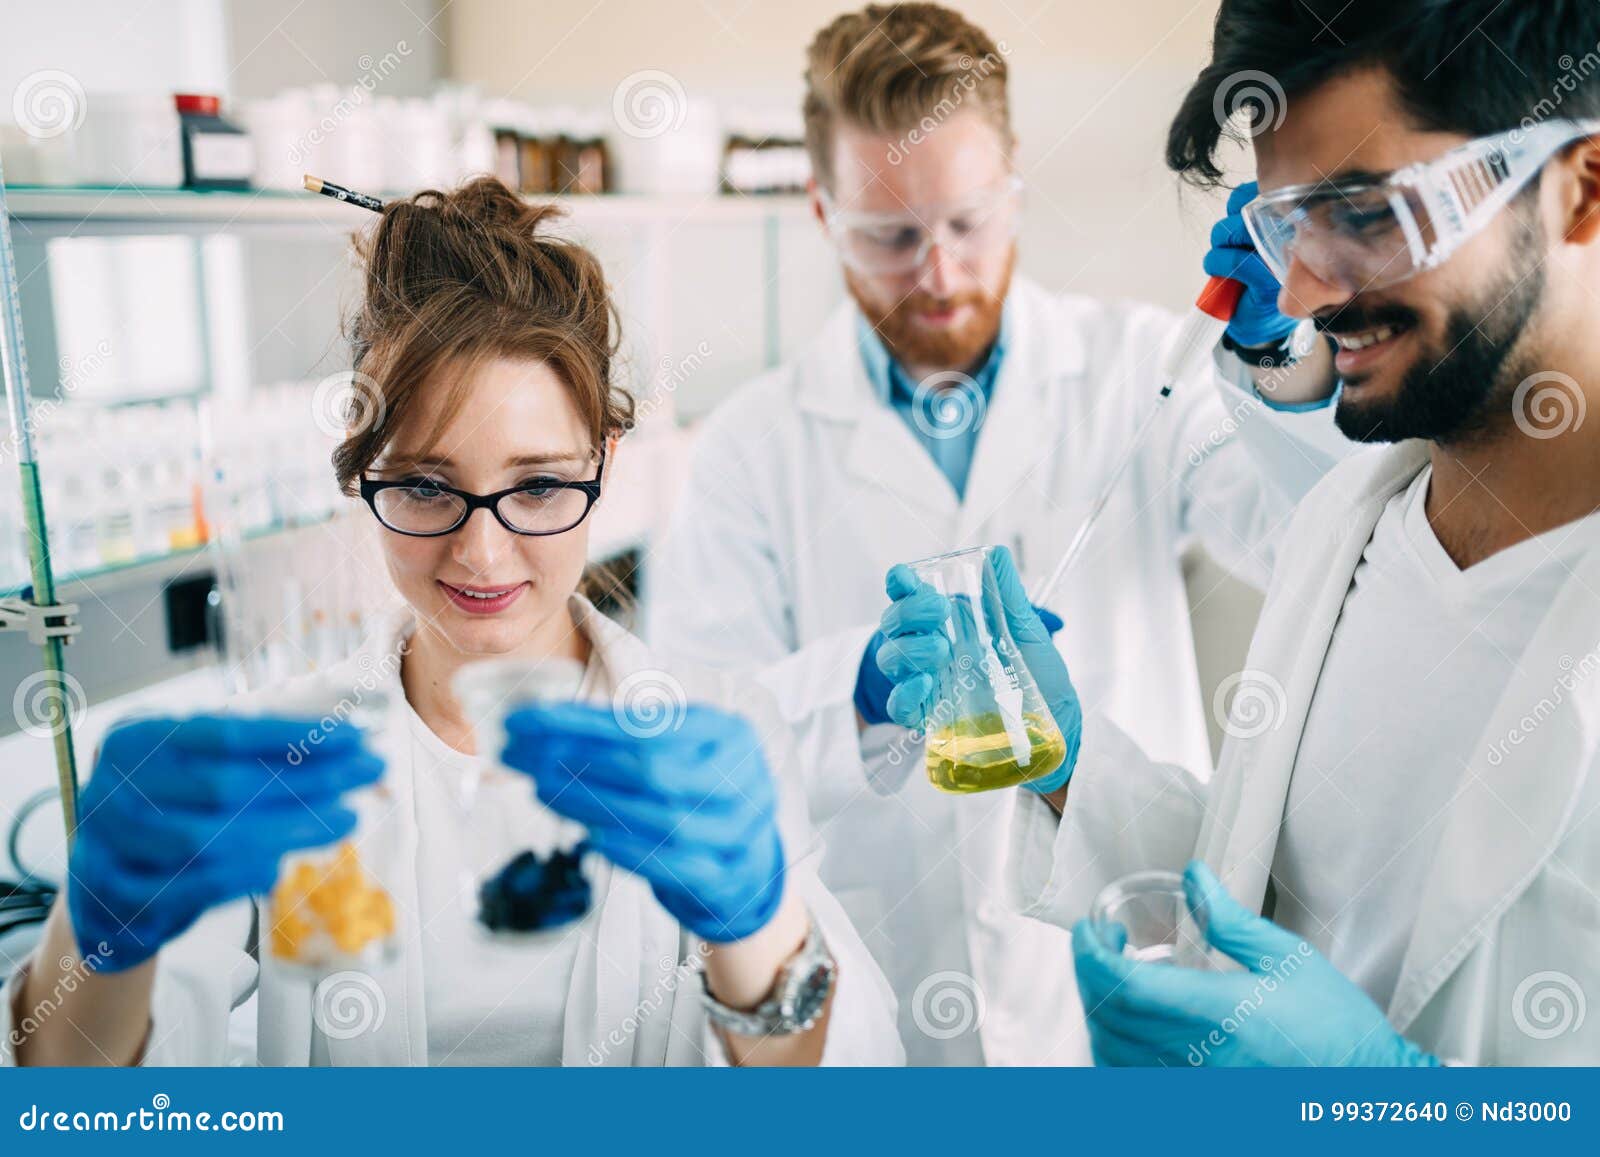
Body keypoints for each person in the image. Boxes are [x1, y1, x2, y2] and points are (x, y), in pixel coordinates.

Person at [0, 178, 902, 1068]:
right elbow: (80, 1105)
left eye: (540, 485)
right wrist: (95, 932)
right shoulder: (280, 750)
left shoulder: (719, 732)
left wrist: (761, 930)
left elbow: (837, 1091)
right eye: (427, 486)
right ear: (362, 473)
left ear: (605, 461)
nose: (481, 552)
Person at [879, 0, 1600, 1065]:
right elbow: (1291, 896)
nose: (1303, 287)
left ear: (1579, 189)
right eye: (1285, 222)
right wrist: (1073, 768)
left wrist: (1392, 1101)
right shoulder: (1355, 526)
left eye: (1362, 212)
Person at [645, 2, 1342, 1064]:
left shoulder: (1135, 368)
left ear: (1012, 191)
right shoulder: (748, 446)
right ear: (822, 211)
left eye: (966, 222)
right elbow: (699, 737)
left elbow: (1318, 546)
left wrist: (1284, 363)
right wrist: (858, 693)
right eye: (889, 234)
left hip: (1119, 982)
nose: (935, 271)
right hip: (877, 1004)